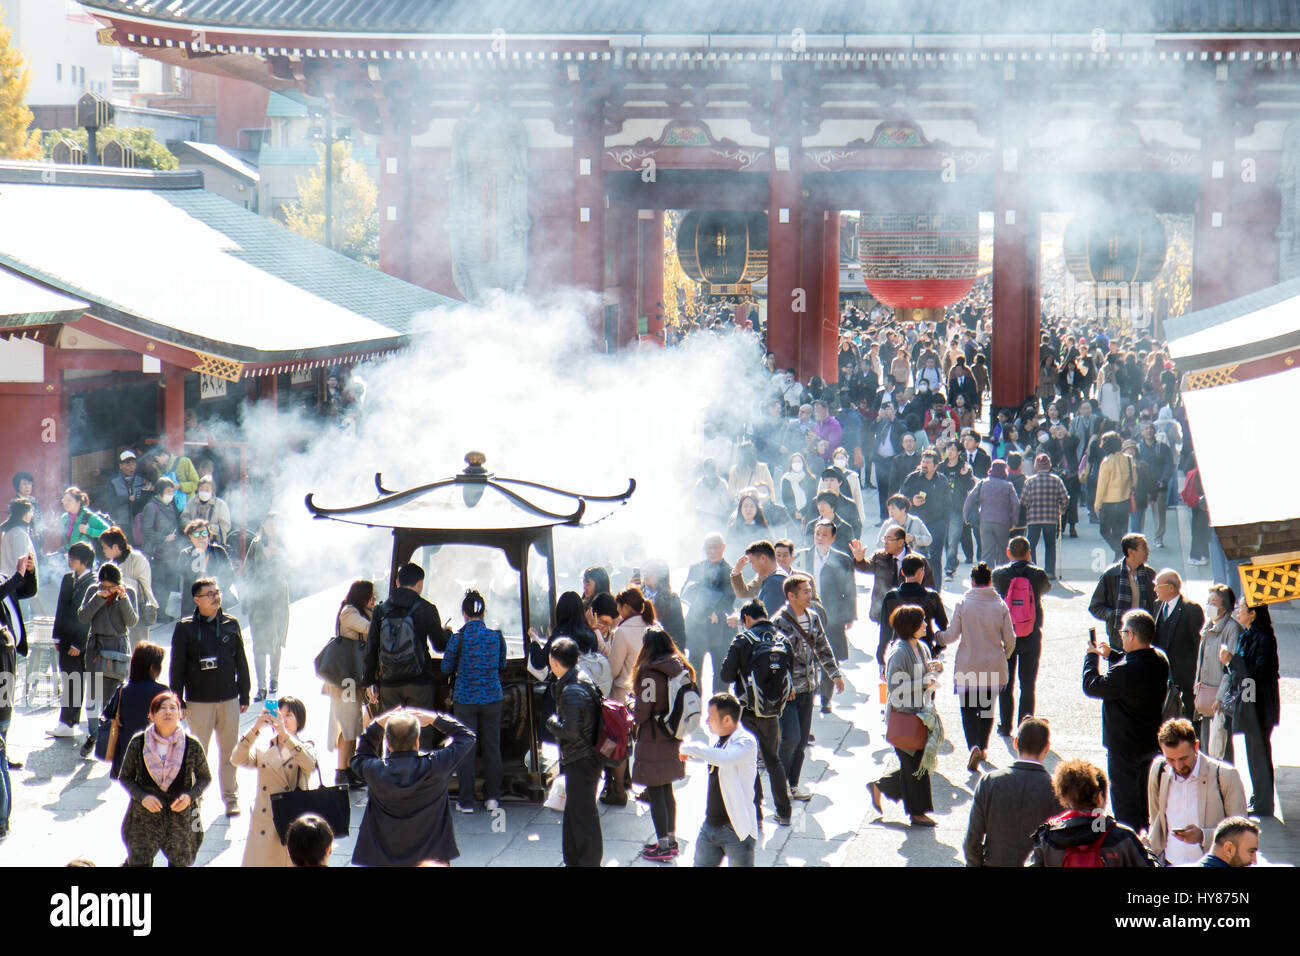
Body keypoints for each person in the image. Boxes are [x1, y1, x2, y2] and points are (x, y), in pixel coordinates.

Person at [351, 707, 477, 866]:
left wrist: (377, 725)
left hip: (383, 859)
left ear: (388, 744)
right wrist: (435, 718)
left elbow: (361, 755)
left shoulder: (374, 770)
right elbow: (466, 737)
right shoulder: (436, 766)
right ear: (417, 741)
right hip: (431, 859)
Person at [169, 576, 251, 816]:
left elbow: (241, 661)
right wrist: (177, 700)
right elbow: (177, 666)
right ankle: (196, 797)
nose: (216, 597)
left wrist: (244, 693)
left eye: (217, 592)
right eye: (209, 594)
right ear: (197, 599)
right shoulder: (185, 627)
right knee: (197, 753)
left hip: (228, 698)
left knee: (230, 751)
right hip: (198, 701)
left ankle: (231, 797)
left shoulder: (230, 623)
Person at [1083, 609, 1169, 830]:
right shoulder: (1160, 660)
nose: (1121, 635)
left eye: (1123, 631)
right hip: (1150, 742)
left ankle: (1132, 853)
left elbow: (1092, 685)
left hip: (1124, 749)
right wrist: (1111, 655)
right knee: (1145, 804)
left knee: (1126, 810)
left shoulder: (1124, 671)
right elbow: (1133, 665)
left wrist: (1091, 656)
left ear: (1131, 635)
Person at [719, 599, 794, 828]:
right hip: (771, 711)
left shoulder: (743, 640)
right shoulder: (782, 639)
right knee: (773, 759)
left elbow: (726, 675)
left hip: (746, 710)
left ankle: (756, 811)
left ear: (747, 619)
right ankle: (784, 812)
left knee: (748, 760)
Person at [868, 605, 942, 827]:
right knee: (916, 764)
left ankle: (879, 786)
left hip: (920, 714)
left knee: (915, 763)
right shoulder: (899, 652)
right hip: (904, 716)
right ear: (911, 626)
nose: (926, 625)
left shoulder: (921, 647)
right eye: (922, 622)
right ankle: (917, 813)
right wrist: (923, 682)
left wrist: (936, 669)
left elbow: (926, 674)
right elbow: (893, 686)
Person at [771, 574, 844, 803]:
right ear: (791, 596)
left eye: (810, 590)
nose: (809, 595)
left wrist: (835, 674)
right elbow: (775, 659)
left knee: (802, 741)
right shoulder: (779, 622)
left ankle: (793, 784)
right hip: (788, 692)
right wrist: (786, 684)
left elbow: (822, 646)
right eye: (805, 591)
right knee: (790, 737)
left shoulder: (813, 618)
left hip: (808, 688)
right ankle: (779, 783)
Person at [118, 690, 210, 867]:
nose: (168, 712)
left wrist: (190, 796)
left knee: (181, 862)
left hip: (181, 818)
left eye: (173, 708)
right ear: (151, 715)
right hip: (144, 817)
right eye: (162, 708)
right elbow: (125, 777)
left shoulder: (192, 744)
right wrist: (142, 797)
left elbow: (205, 777)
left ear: (180, 714)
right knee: (138, 862)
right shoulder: (139, 743)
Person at [938, 562, 1015, 772]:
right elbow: (1010, 639)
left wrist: (937, 637)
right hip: (993, 666)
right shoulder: (1000, 605)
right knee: (987, 709)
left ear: (972, 581)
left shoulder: (963, 603)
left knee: (969, 710)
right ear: (990, 581)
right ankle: (982, 746)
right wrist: (1004, 656)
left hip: (969, 665)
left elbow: (952, 635)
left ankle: (973, 746)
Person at [362, 563, 447, 750]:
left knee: (392, 730)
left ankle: (394, 773)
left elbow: (372, 647)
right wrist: (446, 633)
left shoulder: (381, 610)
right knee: (422, 729)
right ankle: (421, 773)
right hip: (419, 683)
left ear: (398, 582)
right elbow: (440, 645)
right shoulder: (426, 608)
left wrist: (369, 681)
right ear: (420, 584)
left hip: (390, 683)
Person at [1145, 718, 1247, 866]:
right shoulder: (1159, 771)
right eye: (1171, 760)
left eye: (1184, 758)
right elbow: (1155, 820)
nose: (1178, 766)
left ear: (1196, 746)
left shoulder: (1225, 775)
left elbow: (1242, 832)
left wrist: (1203, 836)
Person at [441, 589, 507, 814]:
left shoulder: (457, 638)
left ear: (464, 613)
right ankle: (492, 798)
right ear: (484, 612)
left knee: (466, 748)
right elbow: (502, 665)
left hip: (465, 699)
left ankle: (466, 800)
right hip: (492, 698)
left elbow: (445, 668)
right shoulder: (496, 636)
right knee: (492, 747)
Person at [963, 716, 1062, 866]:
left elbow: (972, 841)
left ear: (1015, 742)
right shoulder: (1057, 789)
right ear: (1047, 747)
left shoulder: (989, 782)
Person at [232, 696, 318, 867]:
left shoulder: (305, 746)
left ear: (299, 721)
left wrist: (285, 736)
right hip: (265, 821)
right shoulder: (263, 748)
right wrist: (256, 728)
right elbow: (236, 758)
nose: (282, 719)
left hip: (293, 820)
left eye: (289, 715)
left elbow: (310, 764)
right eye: (280, 714)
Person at [632, 627, 694, 862]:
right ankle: (671, 840)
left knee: (656, 792)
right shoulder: (678, 667)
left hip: (654, 738)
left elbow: (642, 713)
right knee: (666, 790)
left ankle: (664, 846)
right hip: (673, 735)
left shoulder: (650, 673)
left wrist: (631, 708)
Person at [1026, 759, 1157, 867]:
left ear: (1064, 798)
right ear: (1099, 796)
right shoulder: (1122, 837)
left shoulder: (1046, 839)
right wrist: (1146, 848)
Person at [680, 692, 760, 866]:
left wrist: (690, 748)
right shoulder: (720, 741)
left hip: (736, 831)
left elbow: (725, 758)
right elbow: (716, 756)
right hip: (709, 827)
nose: (707, 721)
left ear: (727, 720)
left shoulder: (746, 742)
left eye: (711, 717)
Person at [545, 637, 604, 867]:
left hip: (582, 759)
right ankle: (575, 860)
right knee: (574, 814)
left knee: (583, 815)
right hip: (581, 757)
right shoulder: (576, 679)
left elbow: (571, 732)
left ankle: (588, 862)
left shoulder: (572, 690)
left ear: (554, 660)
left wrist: (551, 722)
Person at [1220, 600, 1280, 817]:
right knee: (1253, 752)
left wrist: (1233, 660)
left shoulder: (1263, 638)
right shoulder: (1246, 635)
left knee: (1259, 752)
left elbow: (1258, 671)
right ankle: (1259, 796)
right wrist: (1230, 662)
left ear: (1253, 613)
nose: (1237, 610)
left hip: (1261, 704)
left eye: (1241, 607)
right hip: (1249, 701)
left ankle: (1264, 803)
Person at [794, 519, 857, 714]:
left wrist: (849, 615)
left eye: (824, 534)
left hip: (832, 614)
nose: (820, 538)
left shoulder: (842, 559)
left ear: (833, 537)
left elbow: (850, 590)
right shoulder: (802, 557)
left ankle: (826, 698)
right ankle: (809, 694)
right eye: (817, 533)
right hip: (804, 612)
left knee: (829, 655)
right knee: (806, 656)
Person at [77, 562, 138, 759]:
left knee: (116, 699)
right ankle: (94, 735)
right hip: (97, 649)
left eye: (112, 586)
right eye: (105, 586)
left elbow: (132, 621)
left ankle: (114, 740)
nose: (108, 590)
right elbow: (83, 617)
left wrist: (122, 598)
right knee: (94, 698)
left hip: (119, 650)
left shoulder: (128, 593)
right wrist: (98, 598)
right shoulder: (93, 591)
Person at [601, 586, 654, 806]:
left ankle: (618, 788)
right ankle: (651, 788)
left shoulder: (623, 632)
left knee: (619, 742)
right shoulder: (652, 626)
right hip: (649, 693)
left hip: (624, 694)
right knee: (648, 741)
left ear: (624, 607)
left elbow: (613, 669)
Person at [0, 551, 35, 837]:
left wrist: (26, 574)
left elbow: (25, 590)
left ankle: (2, 820)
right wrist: (17, 576)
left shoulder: (5, 580)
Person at [99, 641, 169, 780]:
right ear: (151, 668)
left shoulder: (123, 691)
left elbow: (107, 715)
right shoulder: (163, 692)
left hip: (127, 755)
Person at [48, 543, 96, 741]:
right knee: (68, 678)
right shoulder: (68, 579)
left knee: (75, 680)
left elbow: (88, 617)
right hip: (66, 637)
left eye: (74, 557)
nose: (70, 561)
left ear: (84, 560)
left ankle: (69, 722)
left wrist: (79, 643)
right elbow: (60, 609)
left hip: (79, 641)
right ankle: (66, 720)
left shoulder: (93, 582)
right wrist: (57, 636)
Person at [242, 513, 290, 701]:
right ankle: (260, 686)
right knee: (259, 643)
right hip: (259, 599)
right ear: (263, 525)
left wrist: (280, 556)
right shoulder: (256, 544)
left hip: (278, 597)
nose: (272, 528)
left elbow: (292, 568)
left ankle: (274, 679)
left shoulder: (285, 545)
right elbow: (247, 571)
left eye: (275, 524)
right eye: (269, 524)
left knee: (276, 639)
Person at [851, 525, 934, 628]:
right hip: (885, 612)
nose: (885, 542)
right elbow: (866, 567)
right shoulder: (880, 557)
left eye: (889, 539)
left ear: (900, 542)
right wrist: (859, 560)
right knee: (883, 644)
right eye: (884, 538)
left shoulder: (919, 561)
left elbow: (929, 588)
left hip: (909, 615)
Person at [681, 534, 735, 693]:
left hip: (722, 629)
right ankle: (694, 710)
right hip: (698, 627)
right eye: (709, 547)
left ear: (723, 547)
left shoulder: (731, 571)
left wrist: (717, 611)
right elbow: (687, 592)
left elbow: (732, 597)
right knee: (694, 670)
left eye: (716, 547)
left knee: (720, 672)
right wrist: (706, 610)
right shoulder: (696, 568)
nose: (712, 551)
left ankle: (719, 708)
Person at [1151, 569, 1205, 722]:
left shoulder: (1191, 609)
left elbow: (1198, 645)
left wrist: (1198, 676)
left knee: (1187, 718)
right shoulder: (1157, 606)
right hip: (1163, 675)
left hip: (1185, 678)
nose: (1154, 589)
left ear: (1170, 588)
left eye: (1157, 585)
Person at [878, 554, 949, 664]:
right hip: (925, 652)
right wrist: (936, 650)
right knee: (924, 681)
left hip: (899, 653)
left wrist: (881, 659)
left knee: (901, 681)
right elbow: (944, 628)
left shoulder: (891, 597)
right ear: (921, 572)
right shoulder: (932, 597)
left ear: (902, 572)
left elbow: (885, 631)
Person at [1198, 584, 1242, 760]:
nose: (1209, 606)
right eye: (1208, 601)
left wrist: (1220, 696)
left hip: (1219, 698)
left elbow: (1230, 668)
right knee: (1206, 745)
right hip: (1204, 695)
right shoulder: (1207, 627)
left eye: (1214, 602)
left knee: (1221, 746)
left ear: (1225, 607)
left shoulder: (1232, 629)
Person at [1089, 533, 1156, 646]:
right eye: (1144, 547)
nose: (1148, 550)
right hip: (1119, 637)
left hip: (1145, 635)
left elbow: (1158, 604)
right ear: (1131, 552)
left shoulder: (1149, 574)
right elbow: (1095, 606)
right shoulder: (1111, 575)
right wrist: (1112, 614)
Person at [97, 528, 156, 649]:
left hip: (138, 608)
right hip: (118, 612)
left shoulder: (137, 559)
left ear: (115, 547)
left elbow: (142, 585)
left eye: (105, 547)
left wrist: (118, 582)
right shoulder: (112, 563)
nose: (103, 551)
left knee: (139, 650)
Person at [899, 450, 953, 575]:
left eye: (928, 462)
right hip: (915, 523)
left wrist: (944, 523)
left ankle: (935, 590)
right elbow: (901, 498)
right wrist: (912, 501)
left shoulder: (942, 480)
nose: (924, 464)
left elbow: (948, 504)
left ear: (936, 466)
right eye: (923, 461)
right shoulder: (912, 478)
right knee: (913, 558)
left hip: (936, 523)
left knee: (934, 558)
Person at [139, 478, 182, 622]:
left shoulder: (170, 505)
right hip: (156, 552)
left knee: (168, 582)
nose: (171, 494)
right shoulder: (151, 507)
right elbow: (146, 529)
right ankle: (157, 614)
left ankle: (163, 611)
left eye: (172, 491)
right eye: (168, 491)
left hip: (170, 552)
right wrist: (164, 538)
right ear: (160, 492)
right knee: (158, 584)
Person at [962, 459, 1019, 569]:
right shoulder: (1008, 485)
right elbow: (1016, 504)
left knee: (987, 553)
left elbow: (970, 499)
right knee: (1002, 553)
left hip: (985, 522)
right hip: (1002, 522)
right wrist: (1013, 521)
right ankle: (1001, 578)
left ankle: (987, 579)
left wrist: (966, 516)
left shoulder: (982, 483)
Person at [1019, 454, 1069, 577]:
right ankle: (1050, 571)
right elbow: (1065, 498)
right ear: (1049, 466)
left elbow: (1023, 501)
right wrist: (1062, 510)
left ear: (1036, 466)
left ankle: (1032, 569)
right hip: (1051, 518)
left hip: (1033, 518)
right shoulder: (1056, 480)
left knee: (1031, 545)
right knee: (1050, 545)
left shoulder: (1030, 481)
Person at [176, 519, 236, 620]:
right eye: (196, 535)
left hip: (215, 602)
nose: (201, 537)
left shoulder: (218, 552)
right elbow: (184, 575)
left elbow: (229, 574)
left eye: (204, 533)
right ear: (190, 537)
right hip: (193, 604)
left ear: (209, 535)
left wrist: (217, 586)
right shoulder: (186, 554)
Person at [1093, 431, 1135, 559]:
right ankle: (1118, 557)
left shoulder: (1106, 462)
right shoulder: (1128, 459)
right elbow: (1135, 480)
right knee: (1119, 531)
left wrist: (1097, 504)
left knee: (1104, 530)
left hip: (1109, 502)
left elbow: (1102, 485)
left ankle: (1119, 552)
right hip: (1124, 500)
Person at [729, 539, 788, 617]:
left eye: (752, 563)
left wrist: (742, 620)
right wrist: (737, 570)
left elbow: (768, 618)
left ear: (763, 558)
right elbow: (744, 592)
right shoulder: (765, 577)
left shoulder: (775, 582)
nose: (752, 567)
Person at [100, 452, 145, 544]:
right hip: (121, 521)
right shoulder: (113, 481)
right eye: (128, 464)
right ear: (121, 466)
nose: (132, 467)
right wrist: (127, 499)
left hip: (138, 521)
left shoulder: (140, 479)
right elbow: (110, 501)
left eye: (133, 463)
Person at [179, 475, 232, 548]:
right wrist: (193, 527)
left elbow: (225, 526)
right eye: (202, 489)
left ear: (212, 490)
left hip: (215, 545)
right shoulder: (191, 502)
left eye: (207, 490)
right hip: (194, 543)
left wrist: (208, 528)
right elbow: (184, 518)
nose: (204, 491)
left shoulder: (221, 505)